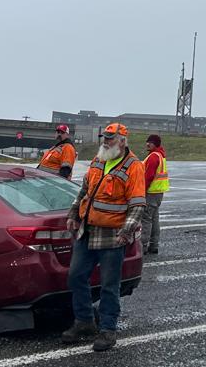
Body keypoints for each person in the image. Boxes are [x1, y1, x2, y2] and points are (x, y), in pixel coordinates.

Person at [62, 123, 145, 352]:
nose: (105, 141)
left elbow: (137, 204)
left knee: (110, 285)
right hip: (87, 231)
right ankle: (85, 321)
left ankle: (108, 329)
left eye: (110, 138)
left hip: (112, 235)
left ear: (122, 140)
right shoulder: (99, 160)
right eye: (104, 138)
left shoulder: (133, 166)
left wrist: (125, 232)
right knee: (76, 276)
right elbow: (84, 191)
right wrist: (73, 214)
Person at [141, 134, 169, 255]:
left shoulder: (153, 157)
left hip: (151, 193)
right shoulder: (160, 155)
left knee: (146, 219)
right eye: (147, 142)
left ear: (155, 144)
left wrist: (141, 191)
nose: (148, 144)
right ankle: (154, 245)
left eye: (150, 142)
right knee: (154, 219)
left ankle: (143, 247)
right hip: (158, 193)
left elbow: (148, 177)